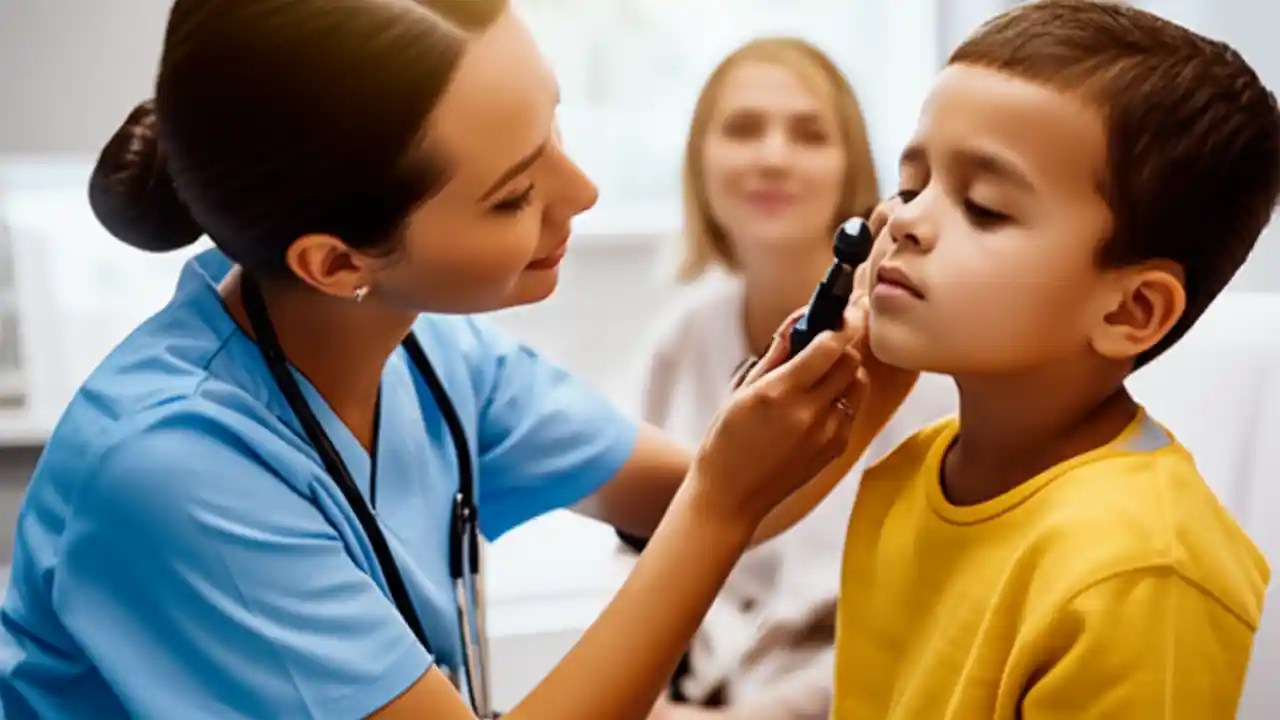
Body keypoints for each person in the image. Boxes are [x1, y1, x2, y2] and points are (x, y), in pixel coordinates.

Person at [0, 2, 918, 719]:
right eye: (516, 193)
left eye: (553, 130)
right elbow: (718, 504)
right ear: (337, 262)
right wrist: (722, 498)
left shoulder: (434, 349)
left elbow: (736, 493)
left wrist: (886, 339)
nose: (583, 192)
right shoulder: (171, 473)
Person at [825, 1, 1280, 717]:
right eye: (913, 186)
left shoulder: (1138, 573)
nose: (903, 220)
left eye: (984, 207)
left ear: (1130, 312)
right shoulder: (904, 477)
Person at [630, 38, 953, 720]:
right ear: (698, 163)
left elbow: (935, 618)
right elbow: (640, 550)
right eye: (744, 129)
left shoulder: (913, 354)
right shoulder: (679, 339)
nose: (773, 155)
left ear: (853, 169)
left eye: (808, 134)